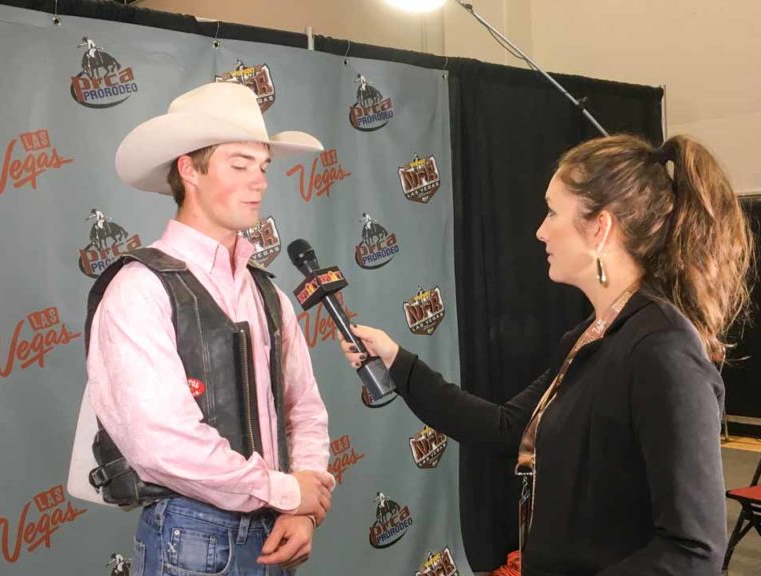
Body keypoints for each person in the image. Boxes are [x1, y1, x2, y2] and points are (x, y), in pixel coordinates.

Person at [340, 134, 753, 575]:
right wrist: (399, 363)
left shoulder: (663, 350)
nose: (540, 229)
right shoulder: (590, 339)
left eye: (554, 211)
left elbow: (692, 551)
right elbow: (503, 428)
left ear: (601, 228)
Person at [76, 82, 335, 576]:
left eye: (263, 167)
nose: (258, 182)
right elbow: (163, 445)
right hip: (190, 535)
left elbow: (304, 406)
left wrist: (302, 507)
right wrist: (287, 490)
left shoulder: (267, 293)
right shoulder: (140, 289)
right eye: (239, 165)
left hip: (275, 531)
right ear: (188, 169)